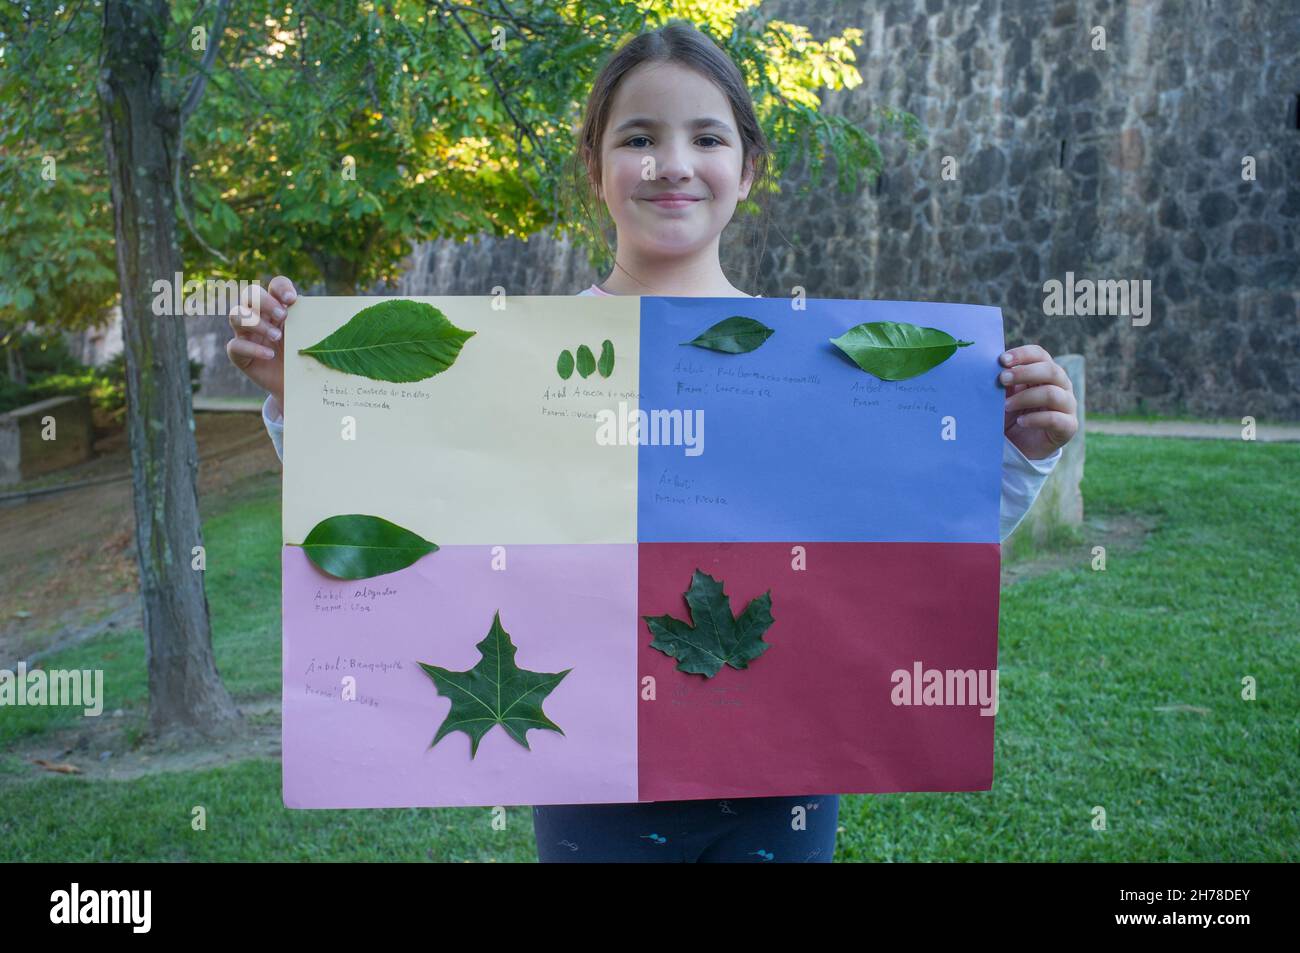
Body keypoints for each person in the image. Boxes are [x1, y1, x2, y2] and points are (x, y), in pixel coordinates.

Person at [227, 21, 1078, 863]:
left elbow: (916, 542)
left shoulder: (824, 366)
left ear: (747, 168)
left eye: (705, 137)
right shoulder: (508, 363)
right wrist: (302, 402)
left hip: (781, 780)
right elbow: (397, 515)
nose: (672, 163)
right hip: (592, 782)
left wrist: (1020, 450)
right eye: (639, 138)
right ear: (595, 167)